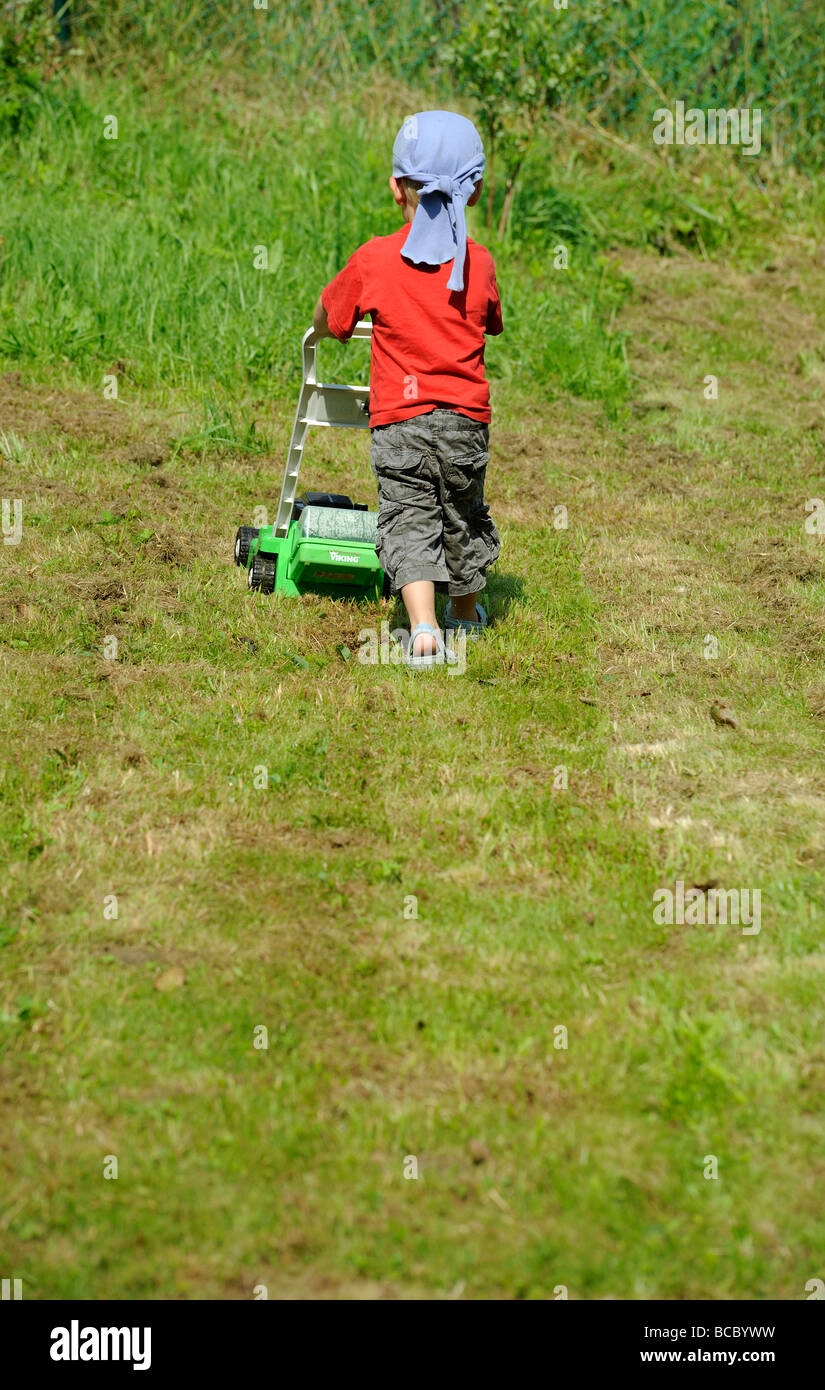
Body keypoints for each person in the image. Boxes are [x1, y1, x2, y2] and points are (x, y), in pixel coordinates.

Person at [313, 110, 503, 669]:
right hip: (465, 421)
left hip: (401, 421)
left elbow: (331, 316)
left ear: (396, 187)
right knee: (463, 515)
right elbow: (490, 319)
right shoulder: (480, 263)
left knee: (409, 515)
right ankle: (464, 614)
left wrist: (326, 324)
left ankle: (422, 632)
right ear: (475, 192)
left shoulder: (374, 259)